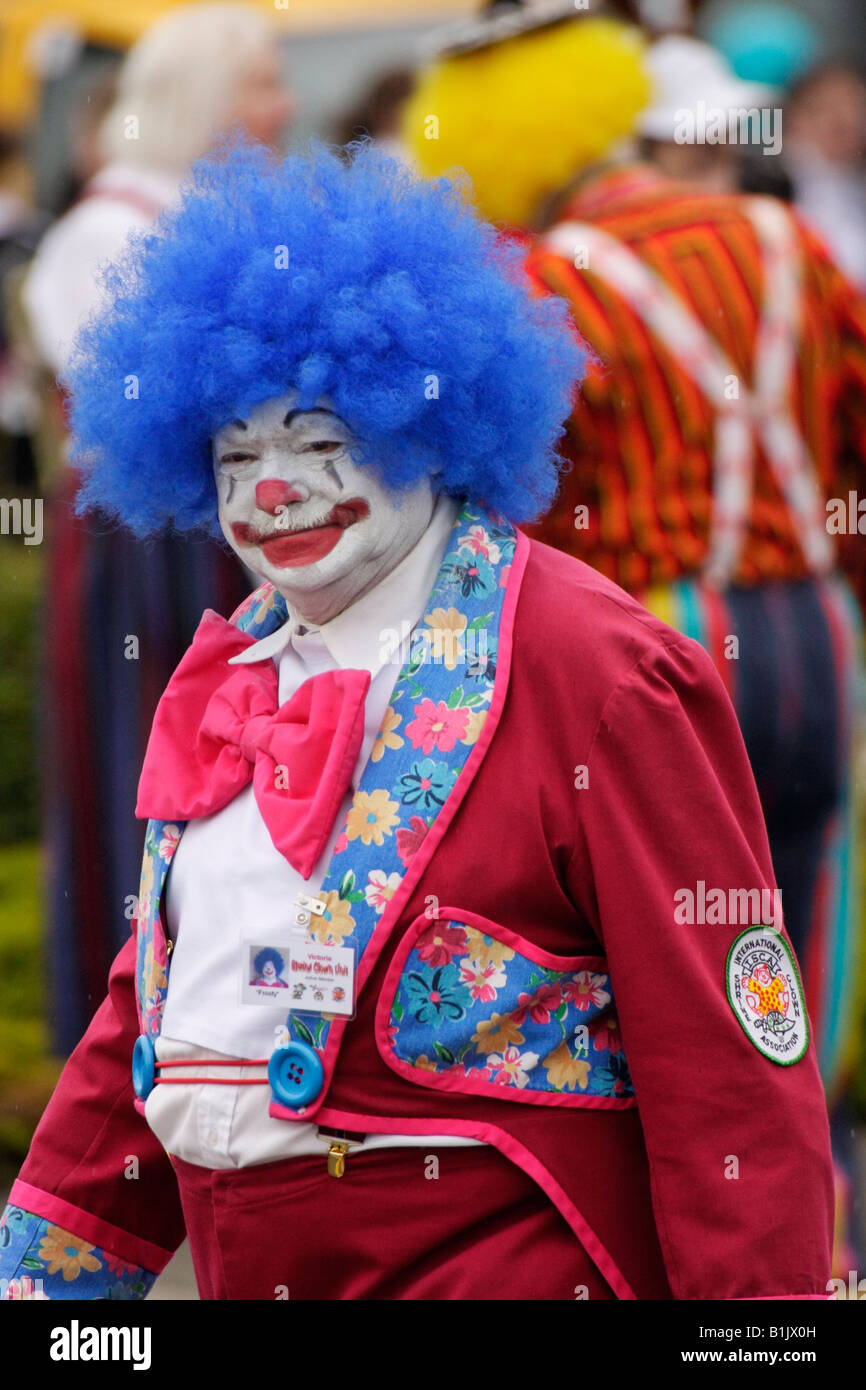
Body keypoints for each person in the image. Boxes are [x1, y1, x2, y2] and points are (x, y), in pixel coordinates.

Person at [0, 140, 832, 1302]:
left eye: (319, 442)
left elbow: (726, 1069)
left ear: (425, 424)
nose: (270, 491)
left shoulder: (597, 671)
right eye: (235, 456)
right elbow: (165, 1000)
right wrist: (49, 1288)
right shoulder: (233, 668)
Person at [405, 0, 866, 1125]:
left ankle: (715, 1198)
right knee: (812, 910)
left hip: (662, 635)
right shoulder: (782, 235)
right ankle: (822, 1207)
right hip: (819, 626)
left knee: (680, 942)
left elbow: (543, 508)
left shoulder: (549, 283)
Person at [21, 3, 295, 1050]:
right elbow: (130, 412)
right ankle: (134, 1024)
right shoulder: (110, 227)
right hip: (153, 545)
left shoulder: (204, 212)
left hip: (220, 532)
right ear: (208, 97)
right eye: (262, 83)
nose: (282, 107)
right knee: (143, 760)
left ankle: (231, 1008)